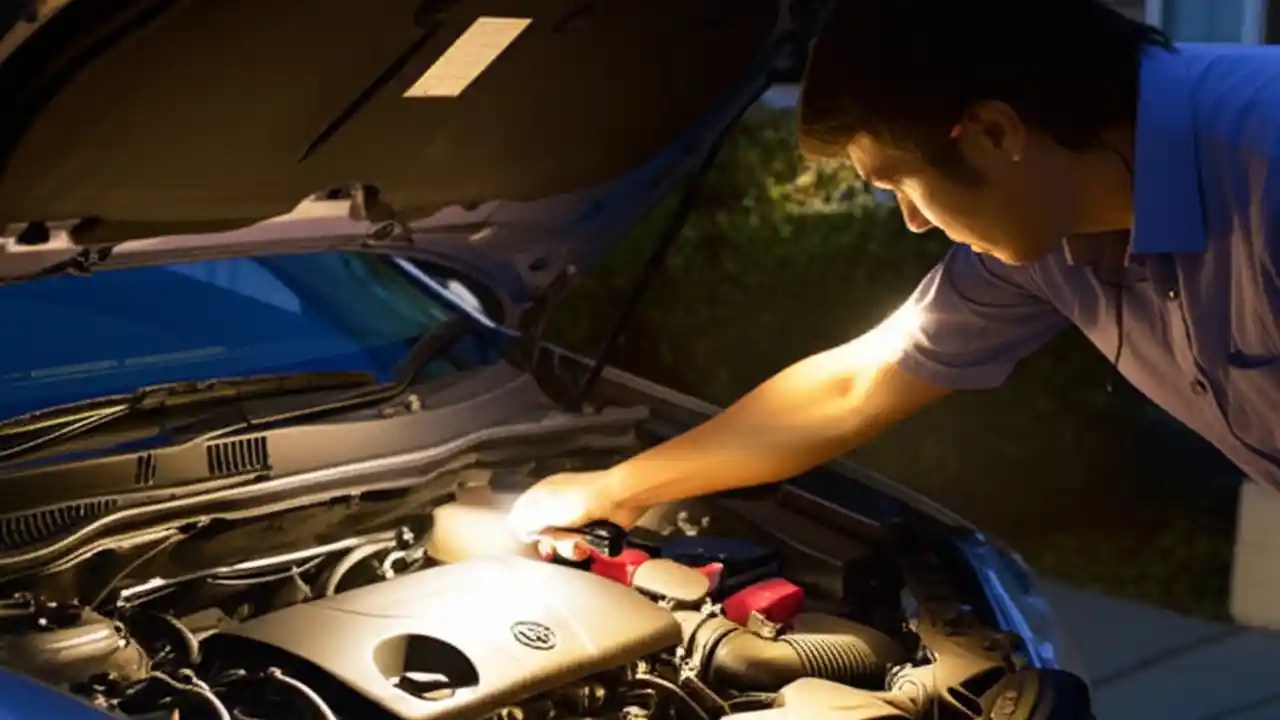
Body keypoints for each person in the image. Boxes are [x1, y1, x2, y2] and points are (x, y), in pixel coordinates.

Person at [509, 0, 1280, 558]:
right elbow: (861, 382)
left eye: (900, 186)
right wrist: (615, 490)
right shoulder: (1048, 219)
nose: (912, 222)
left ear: (993, 131)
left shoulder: (1263, 166)